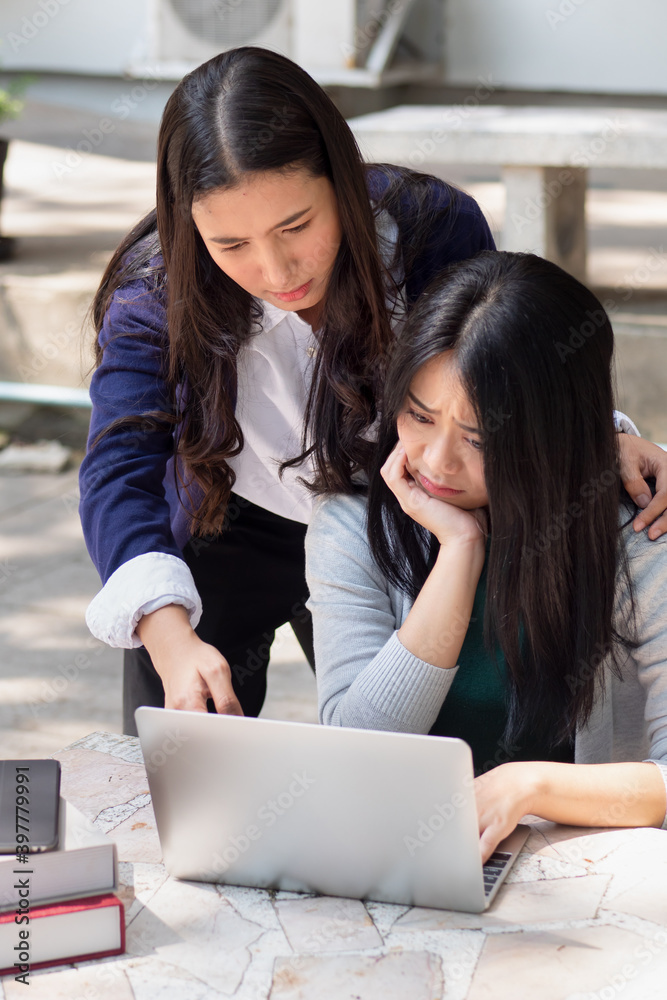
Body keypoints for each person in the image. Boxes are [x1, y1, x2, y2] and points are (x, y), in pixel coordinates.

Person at [80, 46, 667, 736]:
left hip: (383, 510)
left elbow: (493, 353)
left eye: (296, 227)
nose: (276, 271)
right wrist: (169, 634)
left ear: (341, 177)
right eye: (230, 244)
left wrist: (596, 435)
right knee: (183, 758)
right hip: (225, 527)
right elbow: (118, 467)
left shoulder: (429, 229)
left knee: (389, 745)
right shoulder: (155, 294)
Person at [306, 251, 667, 862]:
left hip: (580, 874)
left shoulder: (639, 531)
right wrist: (460, 550)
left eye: (479, 438)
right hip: (401, 861)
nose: (437, 461)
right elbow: (355, 755)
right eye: (419, 416)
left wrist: (531, 787)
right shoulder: (351, 524)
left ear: (553, 431)